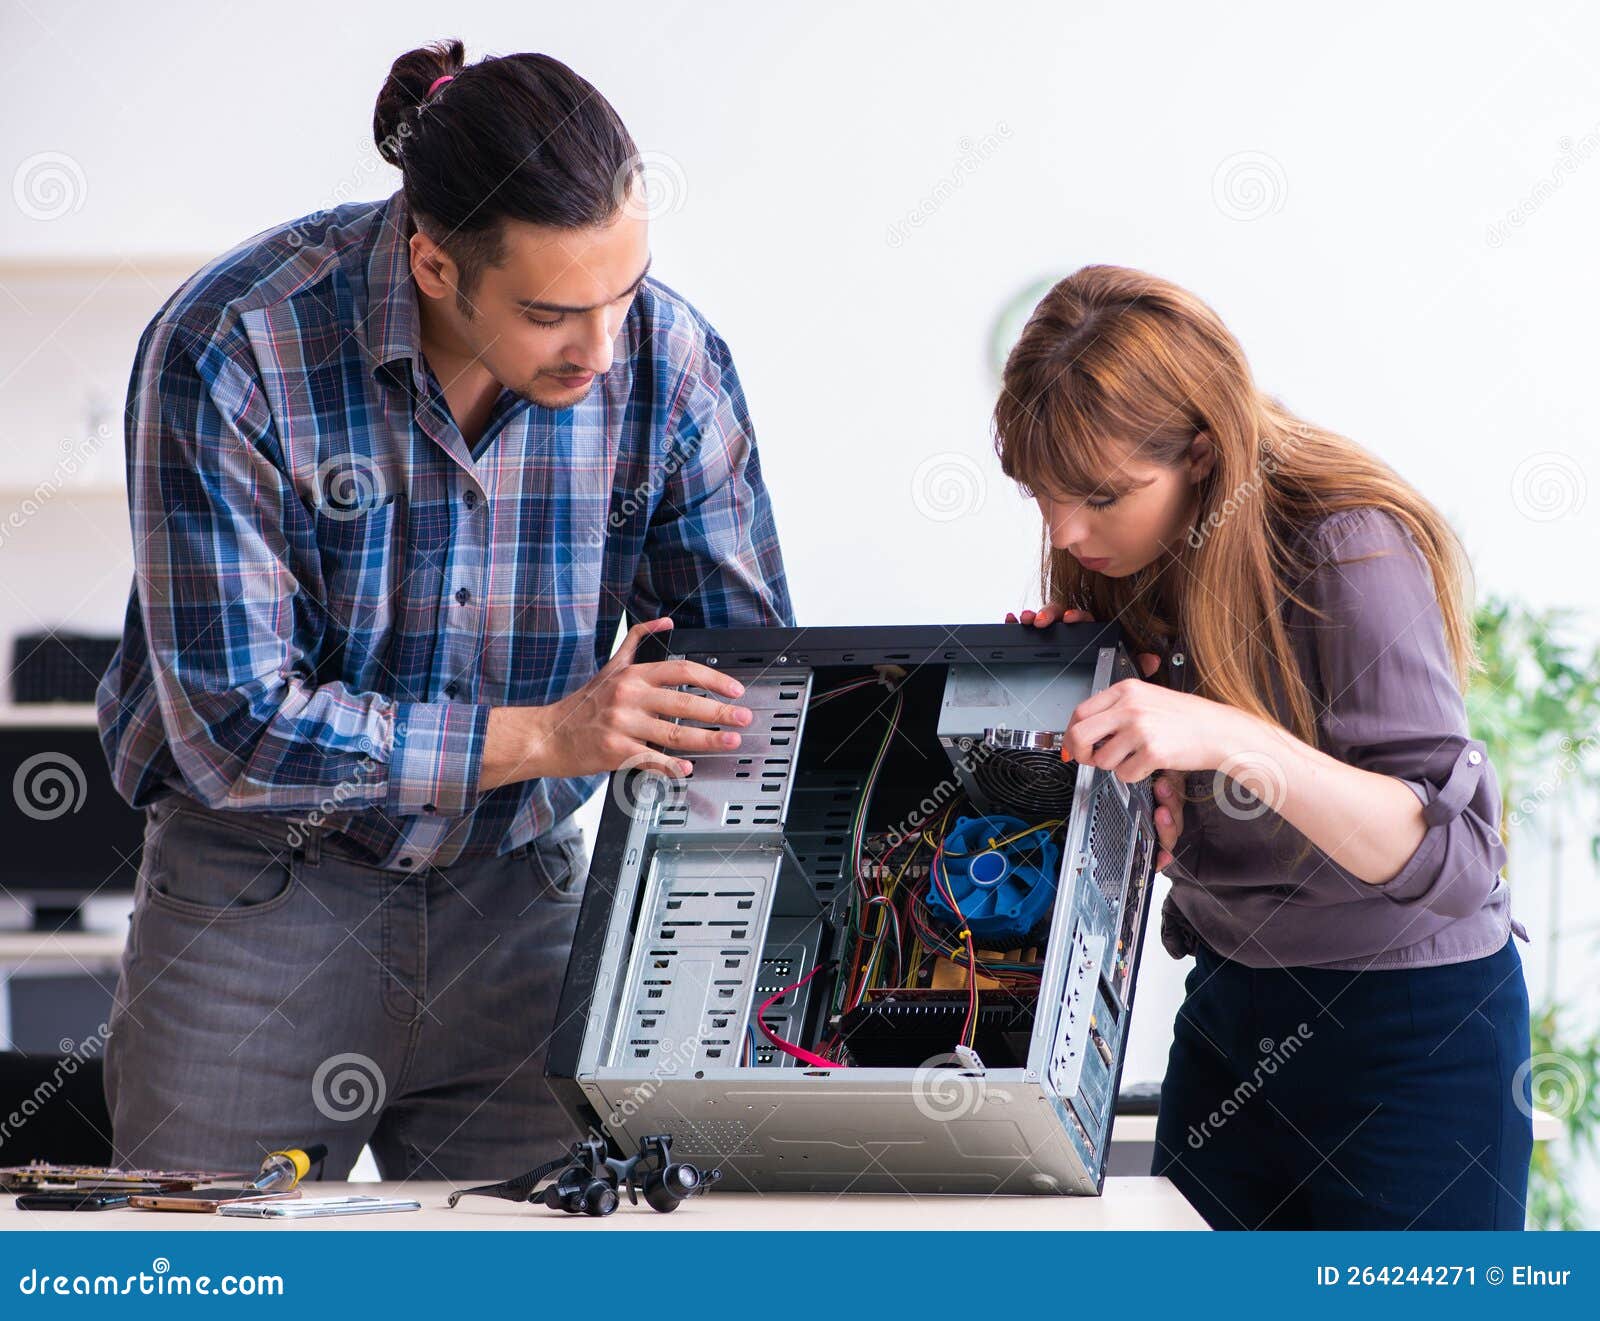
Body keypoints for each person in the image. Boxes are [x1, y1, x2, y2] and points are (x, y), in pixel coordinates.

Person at [96, 40, 791, 1180]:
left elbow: (741, 680)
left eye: (624, 291)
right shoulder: (235, 347)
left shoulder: (668, 357)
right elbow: (233, 724)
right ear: (433, 263)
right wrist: (547, 736)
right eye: (553, 312)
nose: (602, 348)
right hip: (255, 904)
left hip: (520, 899)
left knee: (559, 1262)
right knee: (210, 1264)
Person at [997, 265, 1531, 1229]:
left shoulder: (1349, 547)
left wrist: (1228, 737)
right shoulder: (1127, 555)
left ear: (1202, 455)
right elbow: (1188, 826)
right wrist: (1093, 735)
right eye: (1043, 495)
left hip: (1413, 1035)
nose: (1067, 532)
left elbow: (1454, 862)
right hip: (1232, 1009)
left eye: (1102, 496)